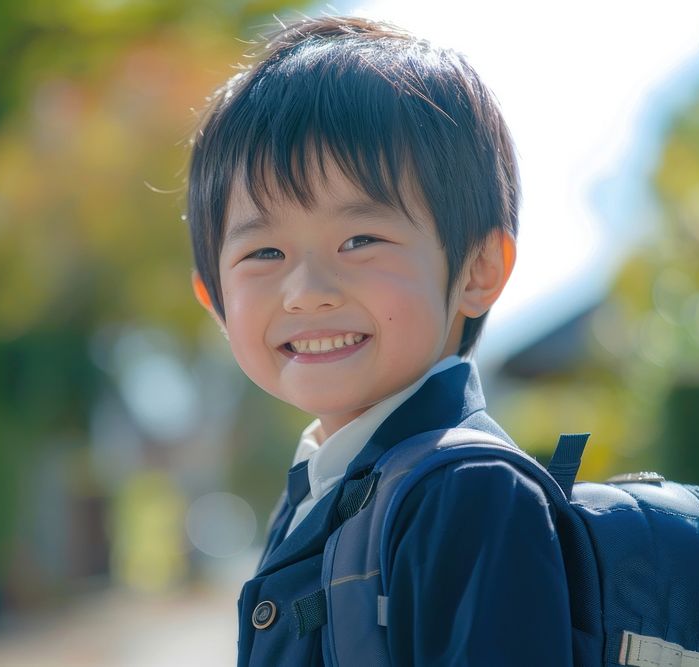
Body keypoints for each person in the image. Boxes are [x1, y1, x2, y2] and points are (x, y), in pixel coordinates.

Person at [183, 15, 573, 667]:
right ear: (216, 301)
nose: (306, 289)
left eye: (360, 240)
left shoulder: (467, 491)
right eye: (265, 251)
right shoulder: (332, 484)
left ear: (477, 270)